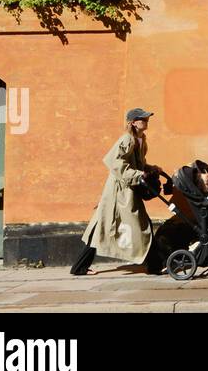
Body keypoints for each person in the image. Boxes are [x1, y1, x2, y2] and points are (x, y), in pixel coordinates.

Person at [69, 108, 165, 275]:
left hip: (127, 188)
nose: (146, 120)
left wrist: (150, 168)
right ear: (133, 122)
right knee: (141, 224)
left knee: (102, 225)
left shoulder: (141, 139)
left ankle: (79, 267)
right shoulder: (127, 139)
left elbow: (137, 164)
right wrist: (139, 174)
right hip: (119, 191)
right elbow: (115, 163)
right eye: (142, 118)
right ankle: (155, 265)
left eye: (147, 118)